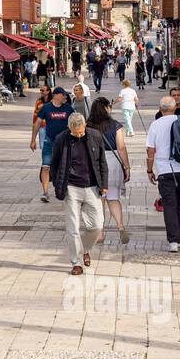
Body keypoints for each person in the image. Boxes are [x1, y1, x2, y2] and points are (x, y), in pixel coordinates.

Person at [50, 112, 108, 275]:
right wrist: (58, 184)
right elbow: (54, 164)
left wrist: (104, 184)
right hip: (71, 187)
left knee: (97, 225)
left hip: (92, 187)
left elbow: (102, 161)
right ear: (69, 128)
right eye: (75, 133)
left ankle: (86, 248)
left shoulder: (95, 136)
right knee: (73, 228)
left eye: (81, 132)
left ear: (85, 126)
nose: (79, 135)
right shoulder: (62, 139)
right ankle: (76, 262)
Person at [146, 96, 180, 253]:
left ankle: (173, 240)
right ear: (175, 107)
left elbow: (150, 150)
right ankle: (179, 236)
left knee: (169, 204)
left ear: (160, 108)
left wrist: (150, 170)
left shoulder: (156, 125)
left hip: (165, 169)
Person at [89, 97, 130, 245]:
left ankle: (100, 232)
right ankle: (120, 227)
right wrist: (126, 166)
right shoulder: (116, 125)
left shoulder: (88, 125)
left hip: (95, 163)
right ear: (107, 108)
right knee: (113, 197)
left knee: (99, 200)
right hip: (112, 162)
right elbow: (121, 148)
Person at [31, 86, 71, 204]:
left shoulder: (68, 109)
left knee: (65, 167)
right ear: (58, 95)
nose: (65, 97)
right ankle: (45, 192)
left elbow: (75, 122)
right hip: (50, 141)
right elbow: (37, 123)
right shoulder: (46, 108)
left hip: (65, 142)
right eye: (64, 95)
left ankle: (64, 189)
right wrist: (33, 140)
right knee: (45, 166)